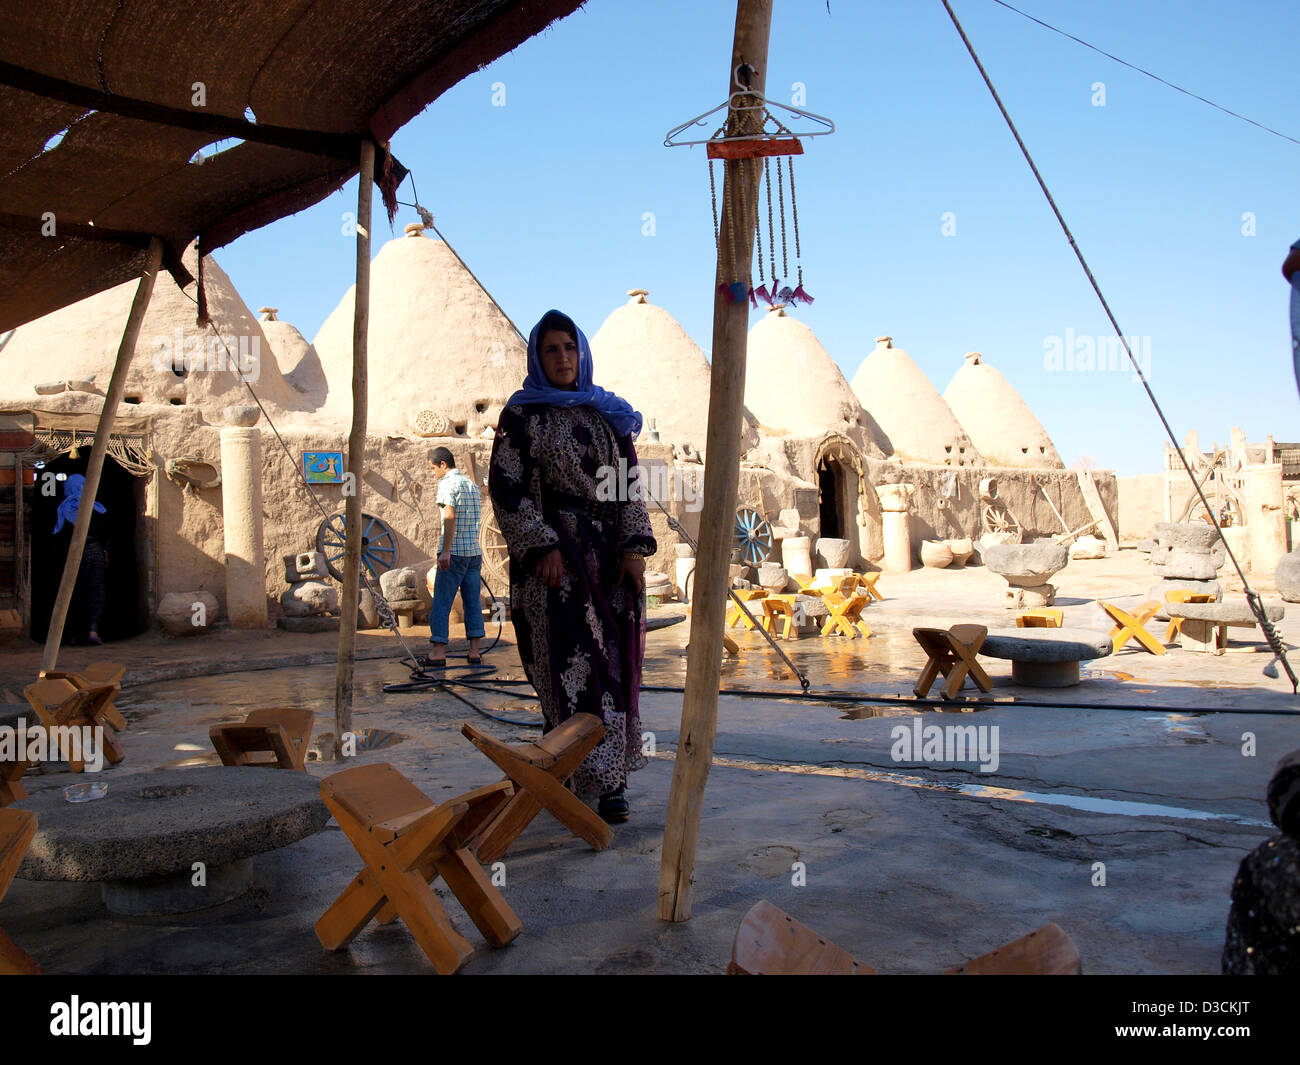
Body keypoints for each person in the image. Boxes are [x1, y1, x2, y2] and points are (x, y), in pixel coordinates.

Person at [488, 309, 656, 823]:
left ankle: (610, 783)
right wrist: (541, 547)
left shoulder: (606, 415)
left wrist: (632, 552)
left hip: (606, 562)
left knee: (611, 668)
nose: (562, 358)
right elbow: (506, 485)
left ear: (581, 352)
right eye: (551, 350)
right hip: (553, 569)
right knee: (563, 669)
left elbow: (628, 484)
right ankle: (567, 766)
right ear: (538, 357)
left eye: (569, 348)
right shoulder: (521, 417)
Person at [426, 446, 485, 667]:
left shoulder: (446, 485)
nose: (433, 473)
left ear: (443, 464)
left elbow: (449, 517)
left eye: (433, 468)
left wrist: (446, 550)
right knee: (473, 603)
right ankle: (475, 651)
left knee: (442, 602)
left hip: (455, 554)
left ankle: (439, 651)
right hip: (474, 554)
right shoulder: (471, 485)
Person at [53, 473, 108, 645]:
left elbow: (58, 535)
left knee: (70, 593)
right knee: (95, 592)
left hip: (71, 554)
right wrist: (105, 552)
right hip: (94, 551)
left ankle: (70, 635)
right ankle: (92, 631)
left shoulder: (63, 509)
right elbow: (104, 534)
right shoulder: (95, 508)